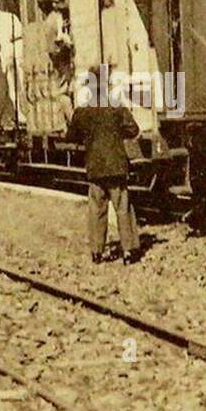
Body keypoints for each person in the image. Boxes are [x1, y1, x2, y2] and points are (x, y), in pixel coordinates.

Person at [66, 64, 140, 264]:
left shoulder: (83, 111)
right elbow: (134, 130)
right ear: (107, 85)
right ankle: (129, 251)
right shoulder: (116, 107)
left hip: (95, 167)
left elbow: (71, 136)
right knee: (122, 208)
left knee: (96, 209)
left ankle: (97, 252)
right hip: (117, 166)